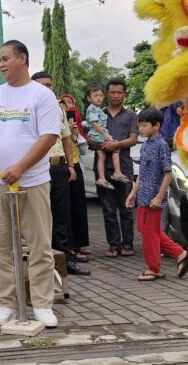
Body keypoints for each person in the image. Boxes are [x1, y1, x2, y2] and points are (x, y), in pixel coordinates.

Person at [0, 41, 60, 328]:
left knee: (39, 245)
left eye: (6, 58)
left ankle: (43, 304)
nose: (0, 64)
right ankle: (4, 303)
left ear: (22, 58)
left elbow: (48, 136)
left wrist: (21, 168)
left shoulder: (42, 95)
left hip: (32, 181)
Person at [31, 72, 89, 277]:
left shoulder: (58, 108)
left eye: (50, 85)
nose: (47, 89)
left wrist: (71, 166)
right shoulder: (28, 107)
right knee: (39, 217)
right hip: (37, 168)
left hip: (59, 167)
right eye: (42, 85)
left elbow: (66, 138)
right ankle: (43, 264)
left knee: (62, 215)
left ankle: (66, 261)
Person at [125, 108, 188, 281]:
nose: (141, 129)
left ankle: (153, 268)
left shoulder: (161, 145)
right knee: (146, 229)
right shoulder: (145, 144)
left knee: (150, 234)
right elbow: (143, 173)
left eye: (144, 125)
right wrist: (133, 193)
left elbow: (168, 173)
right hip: (144, 197)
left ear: (156, 125)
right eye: (140, 125)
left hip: (154, 198)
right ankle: (180, 253)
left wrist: (159, 197)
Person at [97, 77, 138, 258]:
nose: (115, 96)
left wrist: (115, 145)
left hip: (124, 167)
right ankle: (113, 245)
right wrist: (100, 144)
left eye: (119, 92)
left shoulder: (130, 115)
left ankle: (128, 244)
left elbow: (133, 139)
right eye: (112, 92)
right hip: (103, 169)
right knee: (108, 209)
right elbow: (91, 138)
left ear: (124, 94)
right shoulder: (97, 114)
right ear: (107, 94)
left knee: (126, 207)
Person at [59, 94, 90, 261]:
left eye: (70, 103)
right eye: (64, 104)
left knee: (78, 206)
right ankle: (68, 246)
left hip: (75, 163)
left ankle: (79, 244)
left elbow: (84, 147)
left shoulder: (75, 123)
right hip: (59, 165)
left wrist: (75, 134)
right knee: (65, 208)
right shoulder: (53, 119)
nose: (67, 107)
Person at [86, 85, 123, 190]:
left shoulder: (97, 109)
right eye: (95, 95)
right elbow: (94, 123)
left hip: (98, 134)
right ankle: (117, 172)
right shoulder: (92, 108)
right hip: (97, 134)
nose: (98, 98)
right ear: (89, 98)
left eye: (101, 96)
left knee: (101, 157)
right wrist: (103, 134)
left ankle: (102, 178)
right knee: (116, 148)